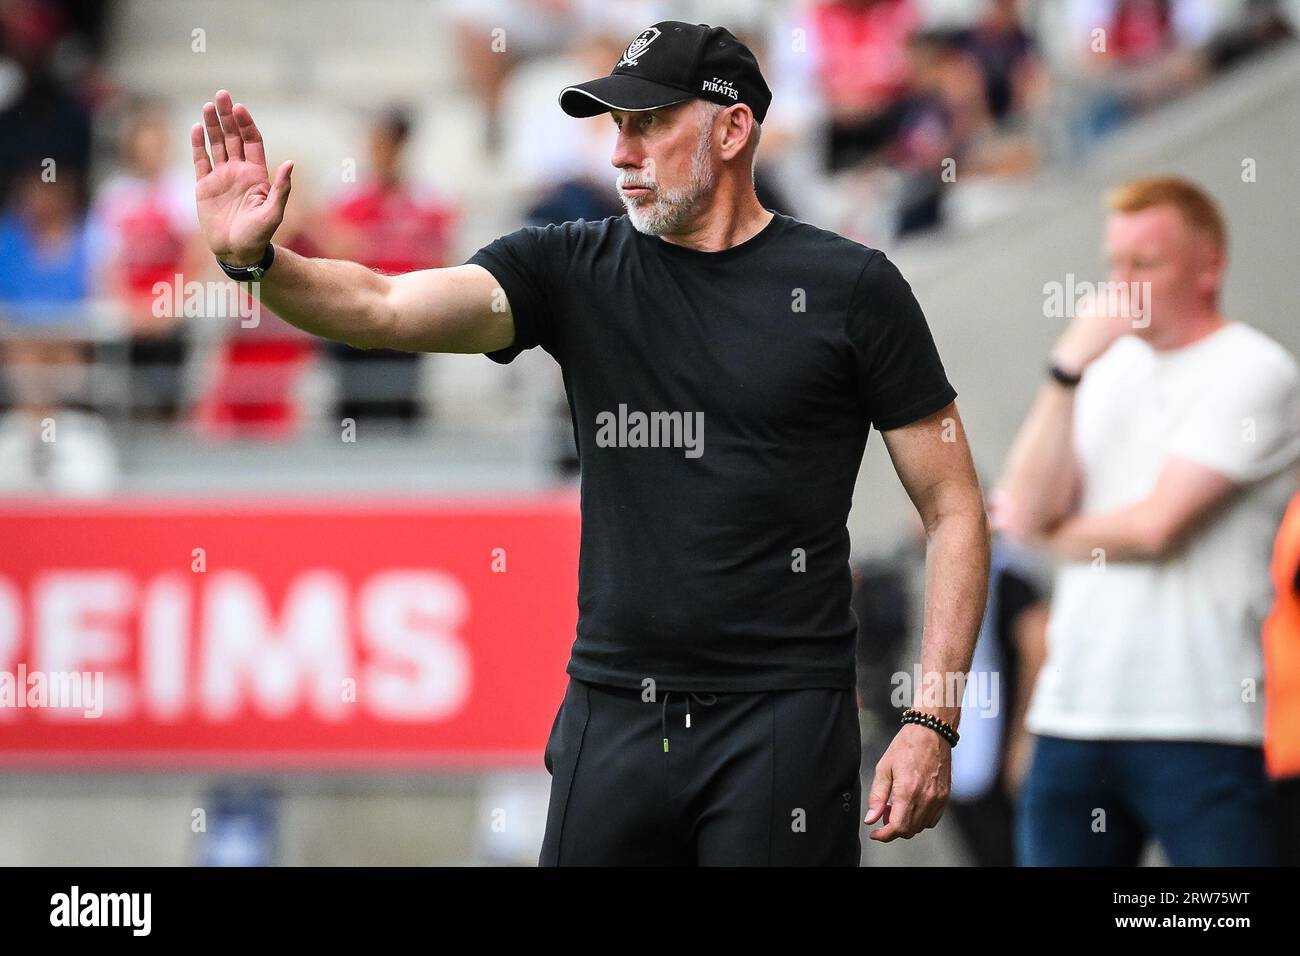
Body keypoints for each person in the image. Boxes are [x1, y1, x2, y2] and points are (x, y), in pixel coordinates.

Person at [190, 20, 990, 866]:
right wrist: (259, 264)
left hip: (784, 720)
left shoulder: (852, 289)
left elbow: (955, 507)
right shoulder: (570, 267)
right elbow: (380, 308)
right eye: (616, 125)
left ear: (731, 129)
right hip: (613, 713)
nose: (620, 152)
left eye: (649, 122)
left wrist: (932, 719)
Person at [994, 176, 1300, 866]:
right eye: (1114, 264)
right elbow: (1029, 496)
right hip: (1073, 715)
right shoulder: (1101, 370)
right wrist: (1065, 370)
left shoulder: (1257, 370)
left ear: (1209, 265)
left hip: (1201, 720)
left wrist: (1041, 533)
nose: (1121, 285)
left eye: (1146, 263)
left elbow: (1155, 528)